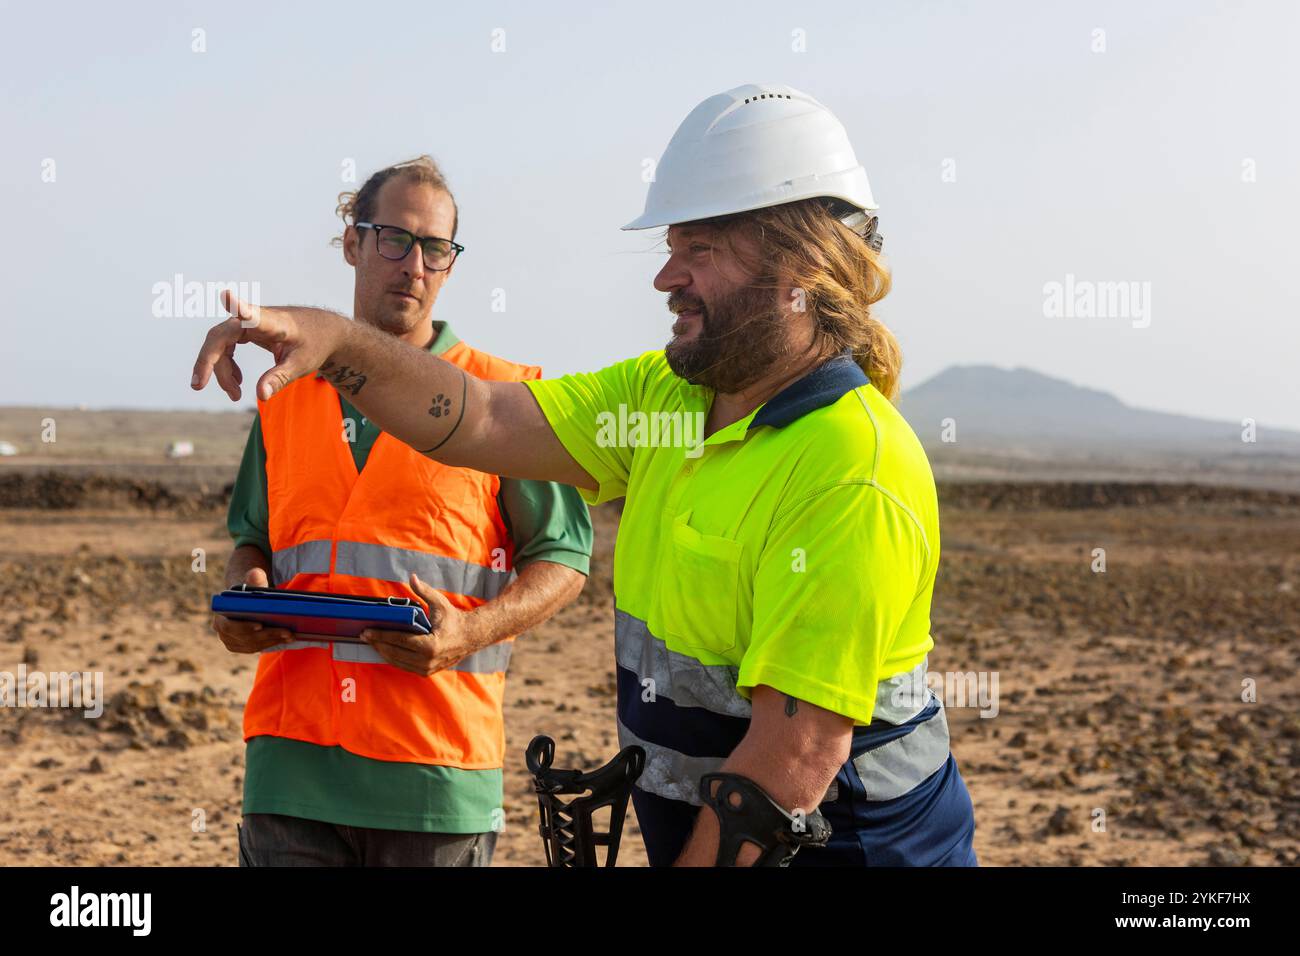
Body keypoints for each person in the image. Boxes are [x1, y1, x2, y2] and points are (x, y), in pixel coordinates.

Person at [194, 85, 977, 867]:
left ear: (801, 264)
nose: (666, 278)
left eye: (698, 249)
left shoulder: (851, 469)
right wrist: (330, 339)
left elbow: (787, 766)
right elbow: (483, 419)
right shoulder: (666, 401)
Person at [210, 156, 592, 867]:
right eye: (394, 239)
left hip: (435, 771)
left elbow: (565, 561)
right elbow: (251, 541)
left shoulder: (503, 399)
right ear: (352, 244)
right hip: (289, 771)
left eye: (435, 247)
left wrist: (469, 631)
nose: (414, 265)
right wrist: (241, 601)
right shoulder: (284, 394)